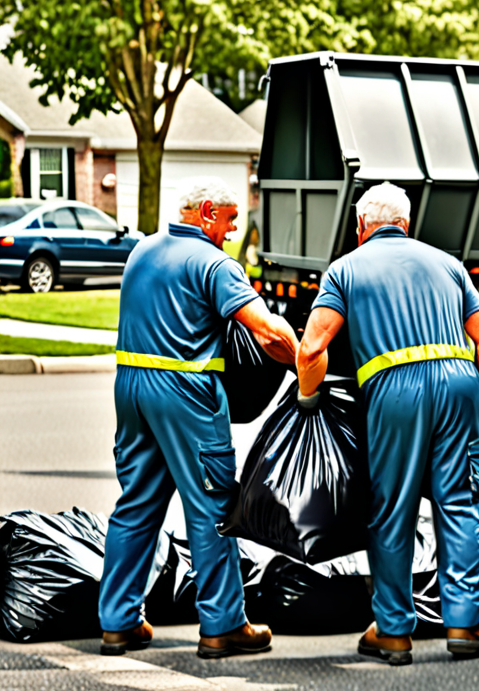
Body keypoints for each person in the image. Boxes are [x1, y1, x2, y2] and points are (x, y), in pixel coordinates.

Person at [296, 182, 479, 666]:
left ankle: (392, 631)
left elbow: (311, 349)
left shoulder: (344, 270)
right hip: (458, 385)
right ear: (407, 225)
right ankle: (468, 622)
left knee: (392, 508)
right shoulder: (448, 264)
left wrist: (309, 401)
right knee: (463, 501)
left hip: (393, 392)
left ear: (359, 229)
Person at [99, 177, 299, 659]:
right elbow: (267, 332)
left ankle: (118, 623)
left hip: (132, 390)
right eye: (230, 220)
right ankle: (223, 625)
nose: (232, 232)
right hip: (187, 394)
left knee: (137, 503)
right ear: (207, 212)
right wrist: (305, 364)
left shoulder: (142, 252)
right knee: (212, 506)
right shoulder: (213, 263)